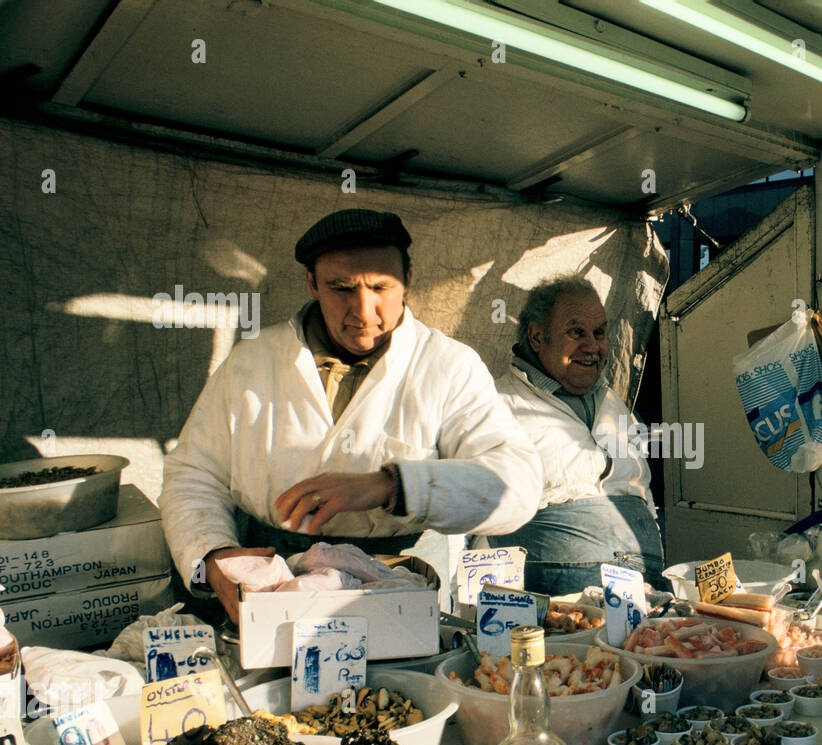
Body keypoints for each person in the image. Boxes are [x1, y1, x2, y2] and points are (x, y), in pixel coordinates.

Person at [161, 208, 543, 622]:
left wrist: (393, 485)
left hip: (401, 581)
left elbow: (517, 486)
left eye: (381, 286)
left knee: (401, 688)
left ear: (409, 279)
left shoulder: (449, 365)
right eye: (341, 288)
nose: (363, 311)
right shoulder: (252, 362)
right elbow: (193, 474)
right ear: (311, 283)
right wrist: (215, 555)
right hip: (276, 581)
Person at [488, 275, 665, 594]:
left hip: (642, 590)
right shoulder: (495, 405)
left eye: (599, 332)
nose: (592, 346)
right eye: (576, 332)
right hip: (557, 602)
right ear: (538, 337)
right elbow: (472, 516)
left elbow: (642, 492)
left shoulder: (613, 402)